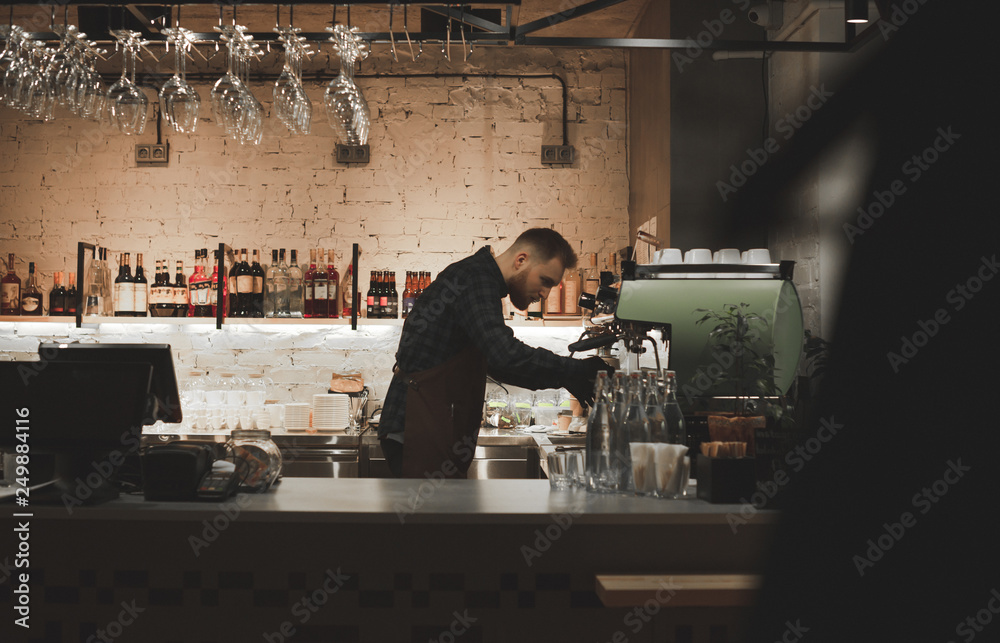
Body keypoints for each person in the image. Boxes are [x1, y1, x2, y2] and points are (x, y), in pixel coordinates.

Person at [378, 228, 611, 479]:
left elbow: (498, 364)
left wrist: (565, 377)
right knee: (432, 515)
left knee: (444, 514)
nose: (545, 294)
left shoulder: (480, 279)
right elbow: (504, 353)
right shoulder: (475, 278)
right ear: (521, 260)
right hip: (417, 425)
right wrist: (573, 370)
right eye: (545, 281)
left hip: (430, 422)